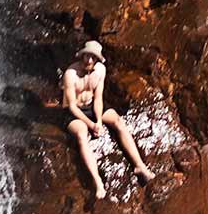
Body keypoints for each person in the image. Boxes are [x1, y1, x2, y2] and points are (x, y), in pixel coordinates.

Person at [61, 37, 150, 201]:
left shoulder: (100, 70)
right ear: (82, 55)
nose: (89, 60)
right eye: (86, 56)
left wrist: (99, 122)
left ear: (97, 59)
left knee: (118, 121)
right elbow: (72, 106)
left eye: (92, 57)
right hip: (74, 112)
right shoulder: (70, 74)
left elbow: (98, 99)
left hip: (92, 106)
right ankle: (98, 182)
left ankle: (139, 165)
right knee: (81, 134)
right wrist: (91, 125)